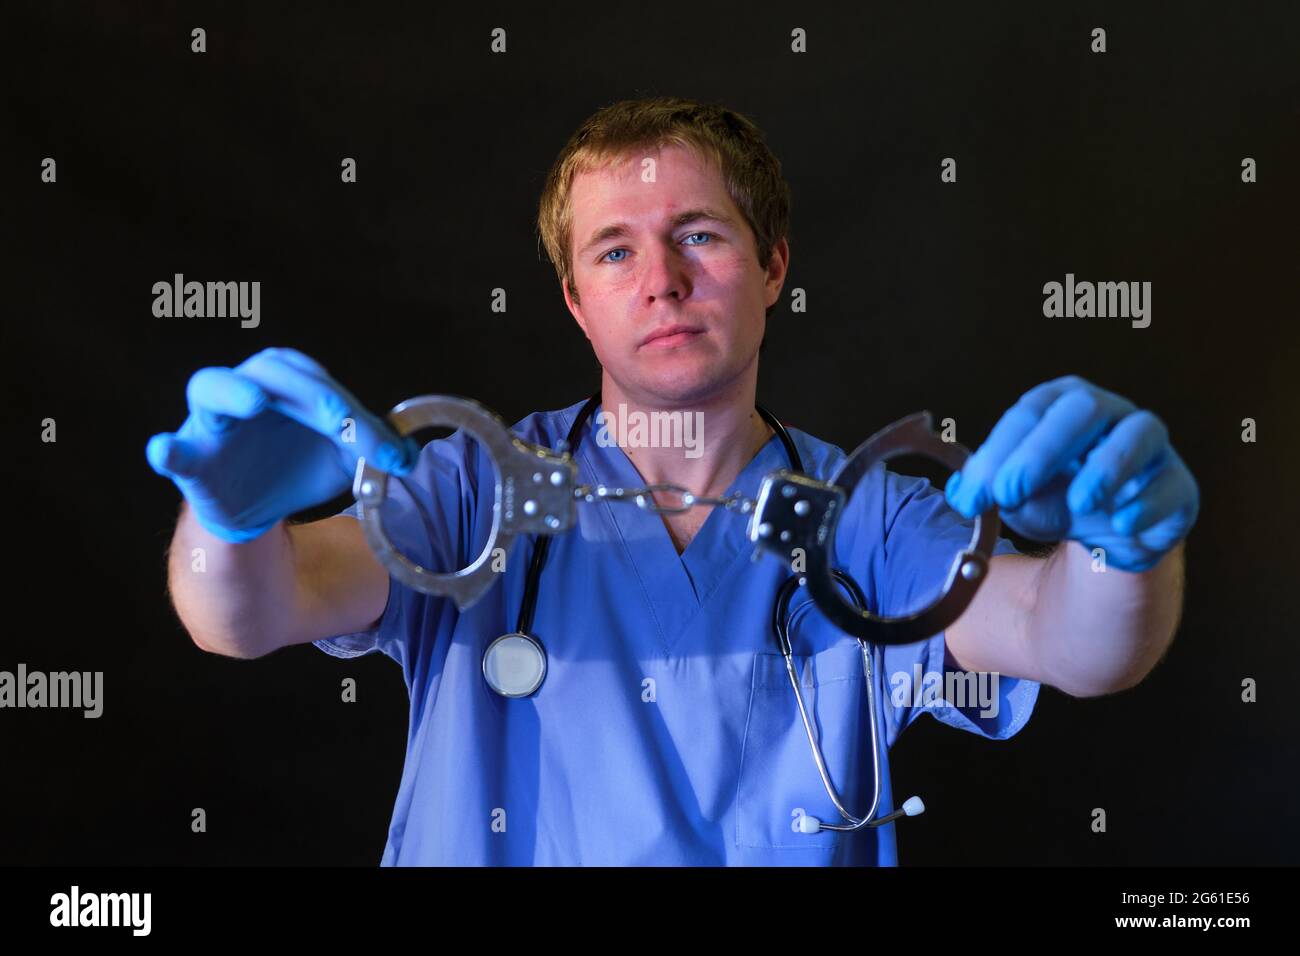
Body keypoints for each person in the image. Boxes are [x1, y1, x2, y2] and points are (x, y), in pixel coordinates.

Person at [147, 96, 1198, 866]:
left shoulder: (866, 520)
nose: (662, 279)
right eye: (614, 251)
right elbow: (247, 610)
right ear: (572, 300)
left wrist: (1120, 548)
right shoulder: (473, 491)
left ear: (775, 263)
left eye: (699, 234)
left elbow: (1073, 641)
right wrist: (226, 522)